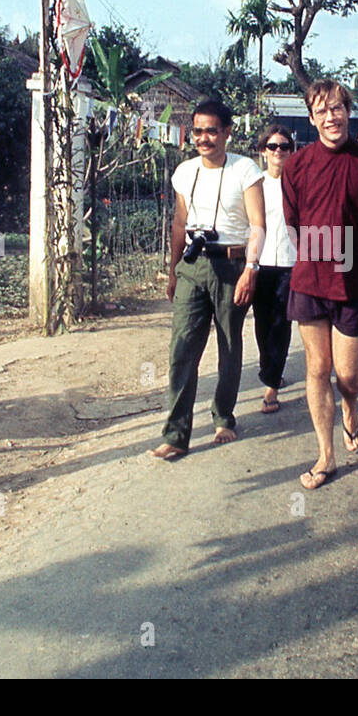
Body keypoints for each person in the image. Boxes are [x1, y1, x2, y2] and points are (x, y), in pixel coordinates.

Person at [282, 79, 358, 489]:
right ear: (312, 118)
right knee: (318, 368)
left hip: (354, 282)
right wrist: (315, 258)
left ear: (349, 111)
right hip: (310, 280)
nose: (332, 117)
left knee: (348, 375)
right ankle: (326, 455)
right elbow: (293, 223)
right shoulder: (296, 165)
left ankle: (351, 409)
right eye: (322, 111)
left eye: (338, 109)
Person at [151, 100, 266, 461]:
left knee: (229, 345)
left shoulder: (245, 169)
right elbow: (179, 225)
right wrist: (173, 271)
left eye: (212, 130)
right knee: (182, 348)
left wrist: (252, 268)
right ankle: (176, 434)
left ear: (227, 132)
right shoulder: (185, 172)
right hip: (193, 265)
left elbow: (258, 226)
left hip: (232, 267)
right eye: (198, 131)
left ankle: (223, 416)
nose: (204, 138)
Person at [253, 124, 298, 414]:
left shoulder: (300, 184)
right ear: (263, 152)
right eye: (273, 146)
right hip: (260, 262)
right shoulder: (254, 185)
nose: (278, 151)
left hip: (292, 263)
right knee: (262, 324)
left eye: (284, 146)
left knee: (282, 324)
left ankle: (271, 385)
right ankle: (270, 368)